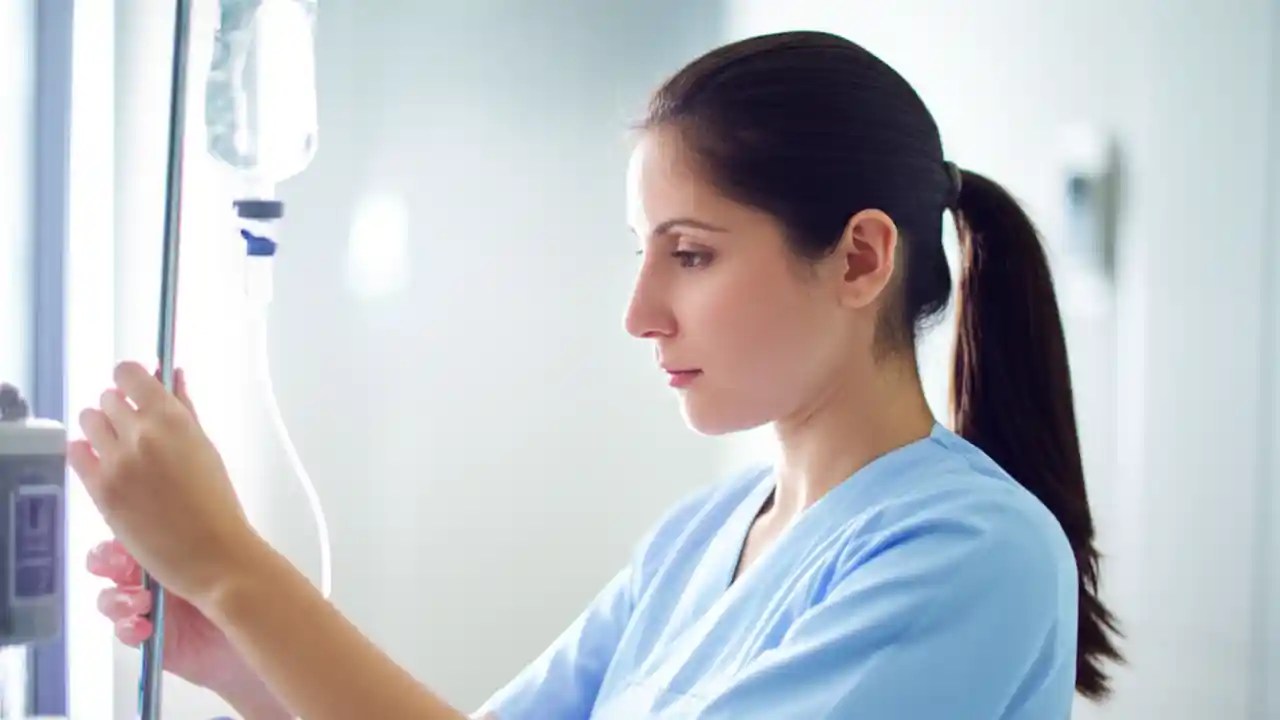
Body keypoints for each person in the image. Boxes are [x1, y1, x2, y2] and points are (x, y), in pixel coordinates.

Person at [72, 30, 1122, 719]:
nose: (640, 312)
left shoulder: (970, 555)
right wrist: (238, 656)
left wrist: (232, 567)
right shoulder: (699, 542)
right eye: (642, 251)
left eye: (692, 253)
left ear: (857, 258)